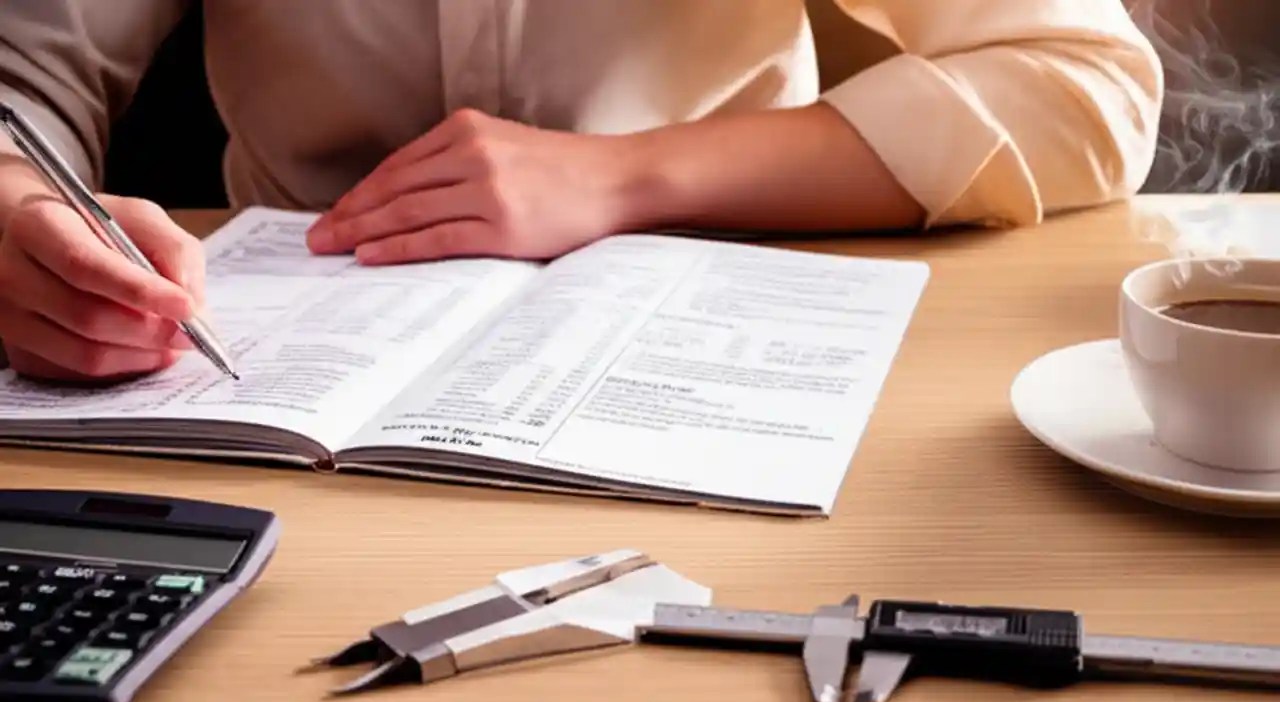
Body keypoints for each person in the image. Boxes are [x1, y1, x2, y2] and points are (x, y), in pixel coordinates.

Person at [0, 1, 1162, 382]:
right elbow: (25, 66)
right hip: (270, 370)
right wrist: (15, 203)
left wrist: (626, 178)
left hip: (714, 336)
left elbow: (1089, 86)